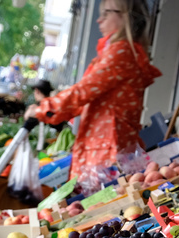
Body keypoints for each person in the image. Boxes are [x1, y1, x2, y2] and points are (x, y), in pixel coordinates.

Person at [25, 0, 161, 180]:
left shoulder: (121, 52)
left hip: (105, 151)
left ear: (126, 17)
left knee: (100, 196)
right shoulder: (125, 52)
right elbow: (86, 95)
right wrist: (50, 109)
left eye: (106, 13)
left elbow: (84, 91)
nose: (99, 20)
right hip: (109, 147)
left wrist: (43, 108)